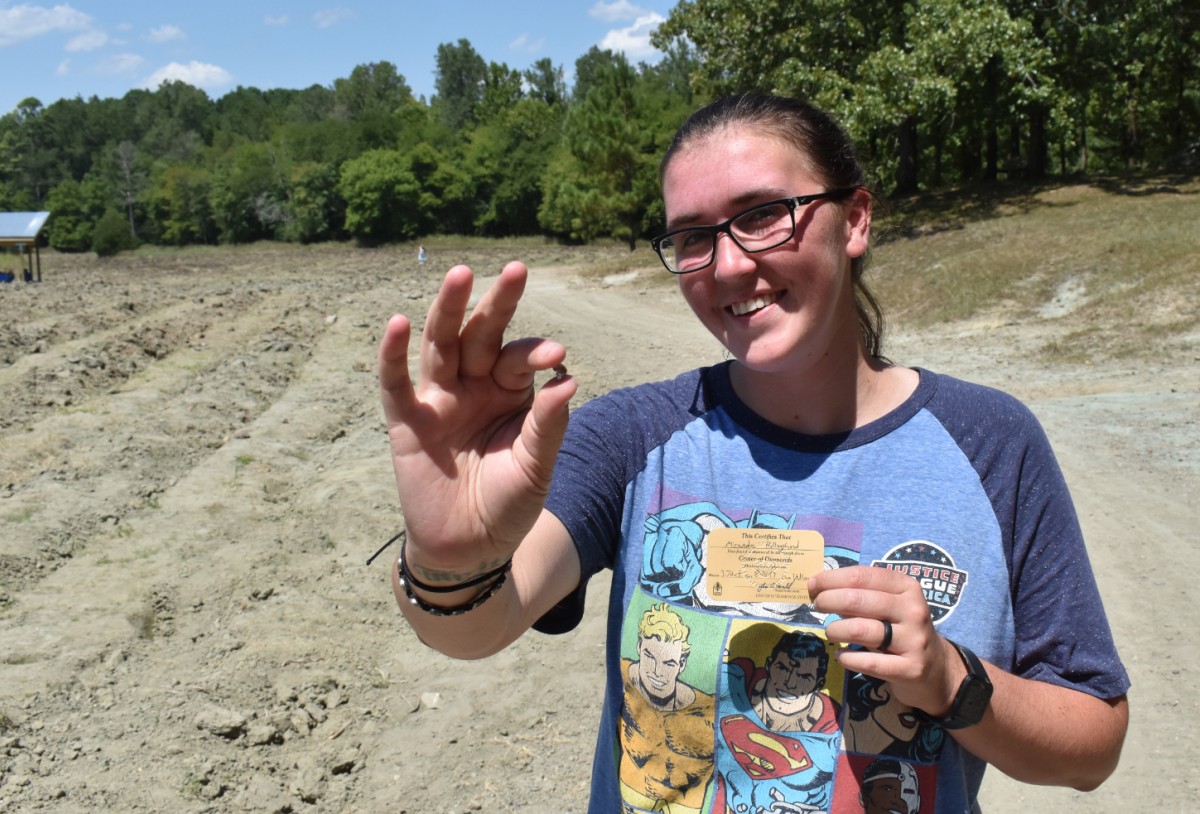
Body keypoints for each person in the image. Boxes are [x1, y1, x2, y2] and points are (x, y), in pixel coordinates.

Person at [377, 92, 1129, 813]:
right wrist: (449, 559)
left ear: (855, 219)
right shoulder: (631, 437)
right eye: (693, 237)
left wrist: (948, 679)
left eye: (764, 215)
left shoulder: (992, 443)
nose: (729, 266)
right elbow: (479, 626)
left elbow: (1091, 747)